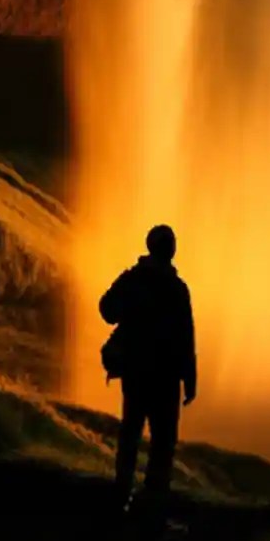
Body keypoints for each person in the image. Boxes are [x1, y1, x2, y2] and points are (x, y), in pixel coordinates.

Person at [99, 224, 197, 523]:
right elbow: (185, 338)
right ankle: (150, 509)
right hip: (164, 378)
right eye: (171, 243)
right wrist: (189, 380)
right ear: (168, 249)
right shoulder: (177, 289)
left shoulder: (133, 279)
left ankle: (122, 500)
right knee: (161, 444)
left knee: (131, 435)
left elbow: (107, 310)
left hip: (138, 374)